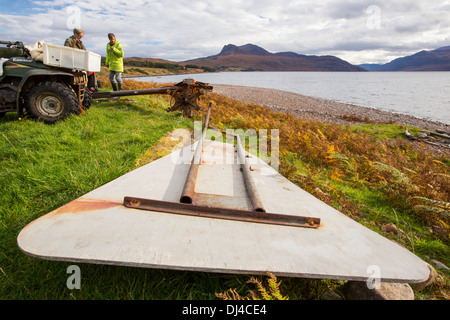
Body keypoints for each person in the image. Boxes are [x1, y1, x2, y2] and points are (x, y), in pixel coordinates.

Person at [64, 28, 97, 92]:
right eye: (80, 36)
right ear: (75, 34)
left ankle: (91, 88)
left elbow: (84, 51)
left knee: (91, 71)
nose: (81, 37)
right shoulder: (69, 41)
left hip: (79, 61)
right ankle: (85, 88)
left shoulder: (80, 42)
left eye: (82, 36)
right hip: (72, 62)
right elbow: (66, 51)